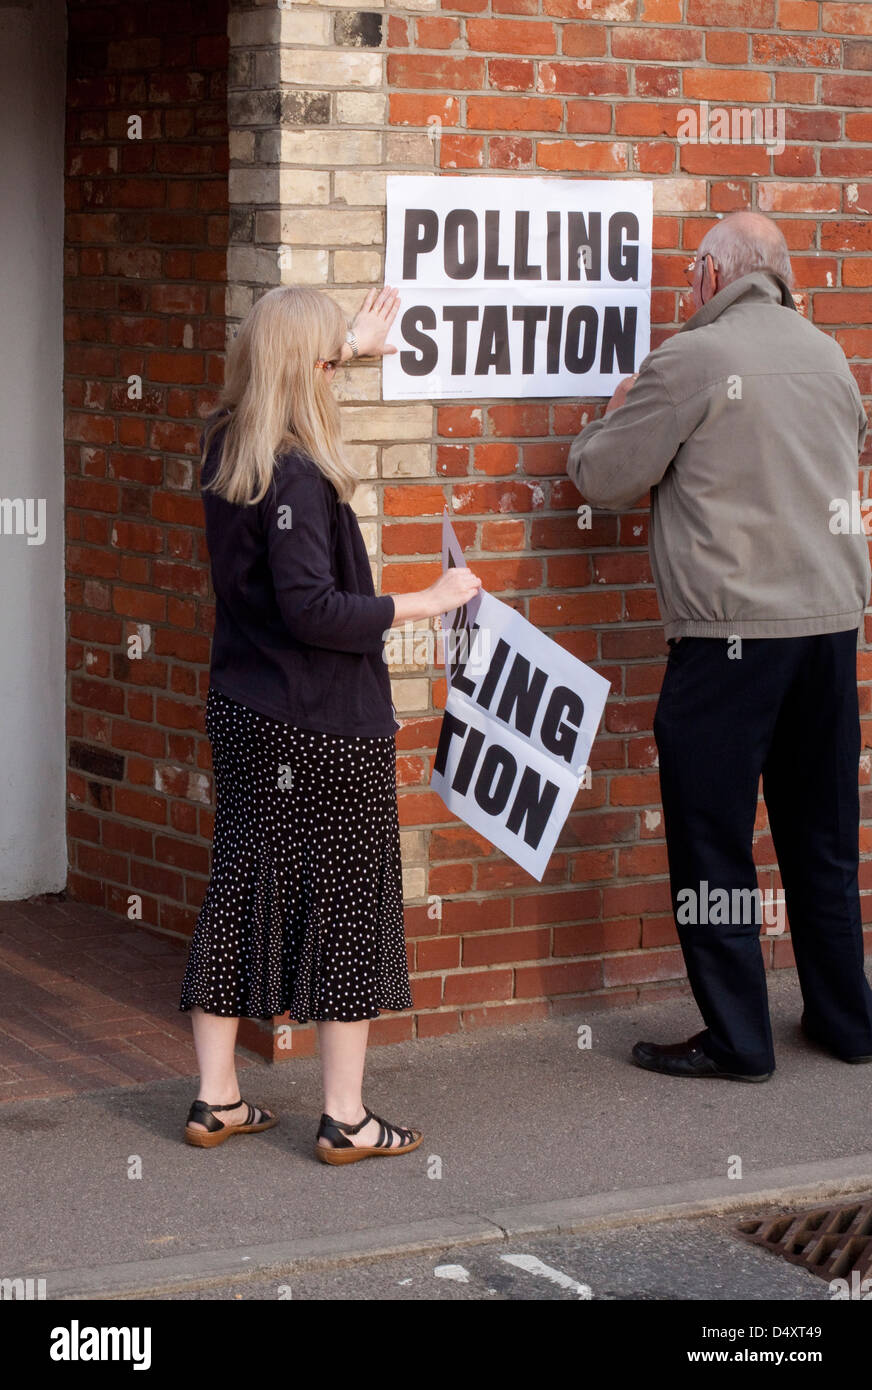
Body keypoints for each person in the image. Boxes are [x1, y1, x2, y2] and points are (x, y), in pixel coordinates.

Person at [567, 211, 872, 1081]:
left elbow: (603, 477)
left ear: (711, 274)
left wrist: (609, 416)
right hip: (828, 628)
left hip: (730, 639)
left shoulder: (693, 358)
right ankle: (848, 1023)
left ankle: (740, 1038)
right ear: (777, 275)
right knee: (822, 836)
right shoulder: (826, 354)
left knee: (713, 838)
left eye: (690, 273)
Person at [179, 284, 481, 1160]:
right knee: (347, 906)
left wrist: (343, 342)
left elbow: (287, 361)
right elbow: (314, 608)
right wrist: (424, 601)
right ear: (309, 369)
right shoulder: (299, 478)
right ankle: (346, 1117)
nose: (338, 375)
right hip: (322, 724)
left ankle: (217, 1099)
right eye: (332, 363)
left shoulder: (225, 447)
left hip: (244, 711)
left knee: (240, 887)